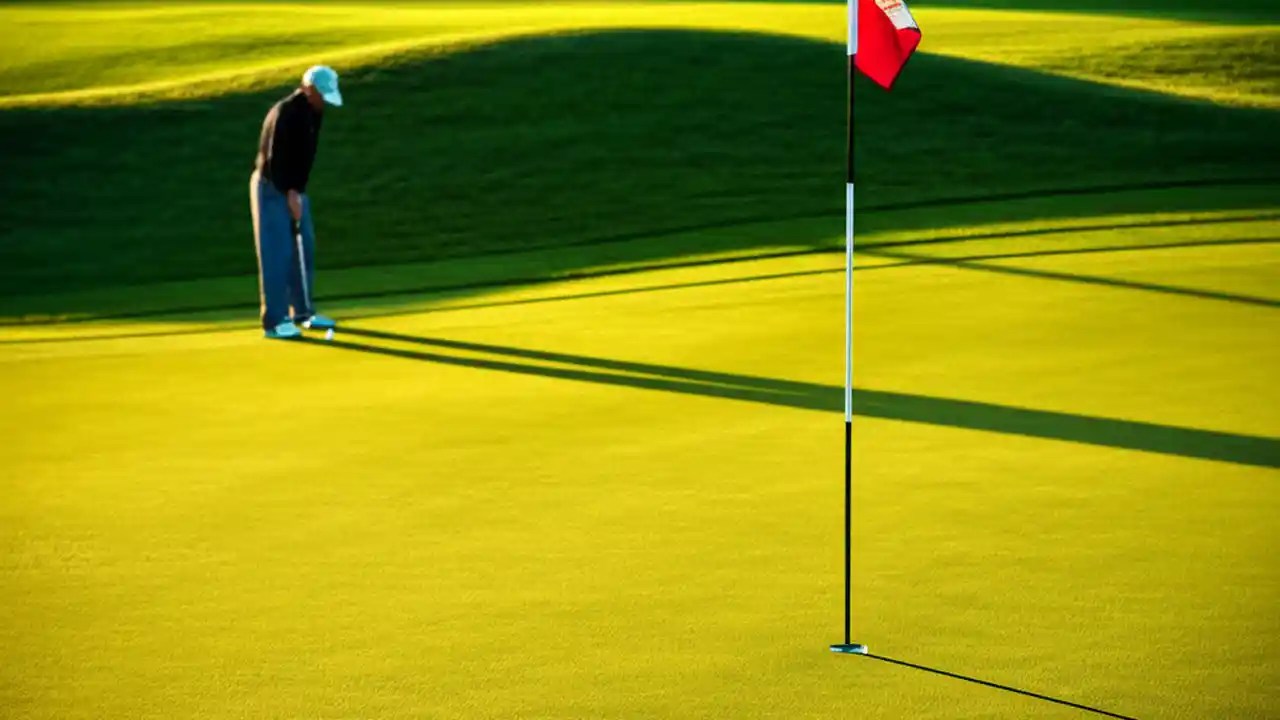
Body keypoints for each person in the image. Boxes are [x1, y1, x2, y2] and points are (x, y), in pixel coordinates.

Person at [249, 65, 342, 339]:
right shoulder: (286, 113)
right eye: (322, 95)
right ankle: (274, 321)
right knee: (277, 252)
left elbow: (304, 158)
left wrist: (298, 192)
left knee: (303, 247)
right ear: (309, 89)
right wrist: (290, 193)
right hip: (271, 186)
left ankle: (304, 313)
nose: (324, 102)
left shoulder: (314, 112)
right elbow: (276, 159)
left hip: (293, 188)